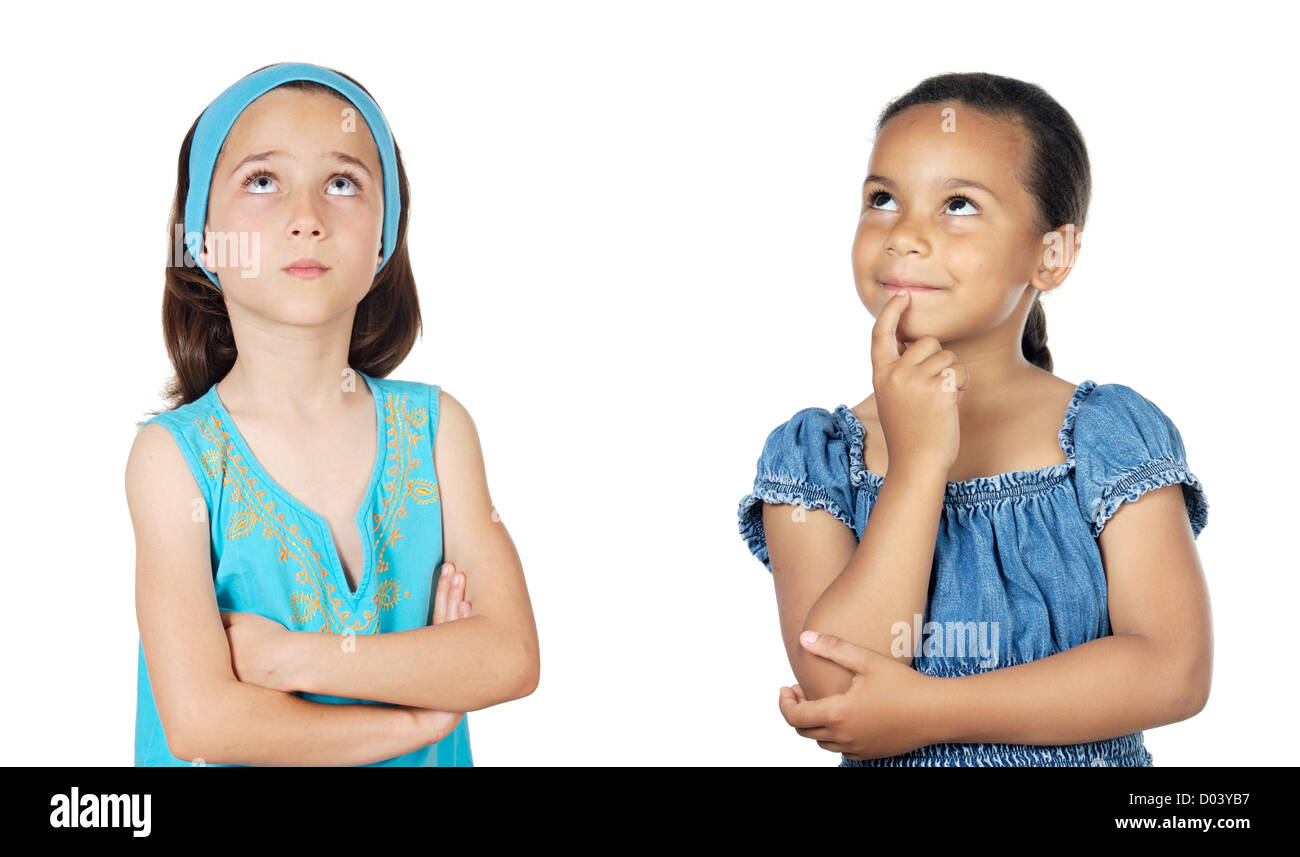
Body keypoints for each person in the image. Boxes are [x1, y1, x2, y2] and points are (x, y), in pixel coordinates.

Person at [736, 72, 1210, 766]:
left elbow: (1173, 671)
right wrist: (919, 462)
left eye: (957, 204)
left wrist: (931, 709)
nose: (905, 235)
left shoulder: (1107, 437)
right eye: (883, 199)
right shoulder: (816, 457)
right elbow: (838, 685)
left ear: (1051, 254)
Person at [126, 62, 539, 766]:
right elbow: (203, 720)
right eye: (262, 181)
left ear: (384, 236)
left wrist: (291, 659)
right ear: (200, 237)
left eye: (342, 183)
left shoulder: (439, 432)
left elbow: (509, 654)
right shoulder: (176, 459)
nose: (307, 219)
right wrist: (418, 719)